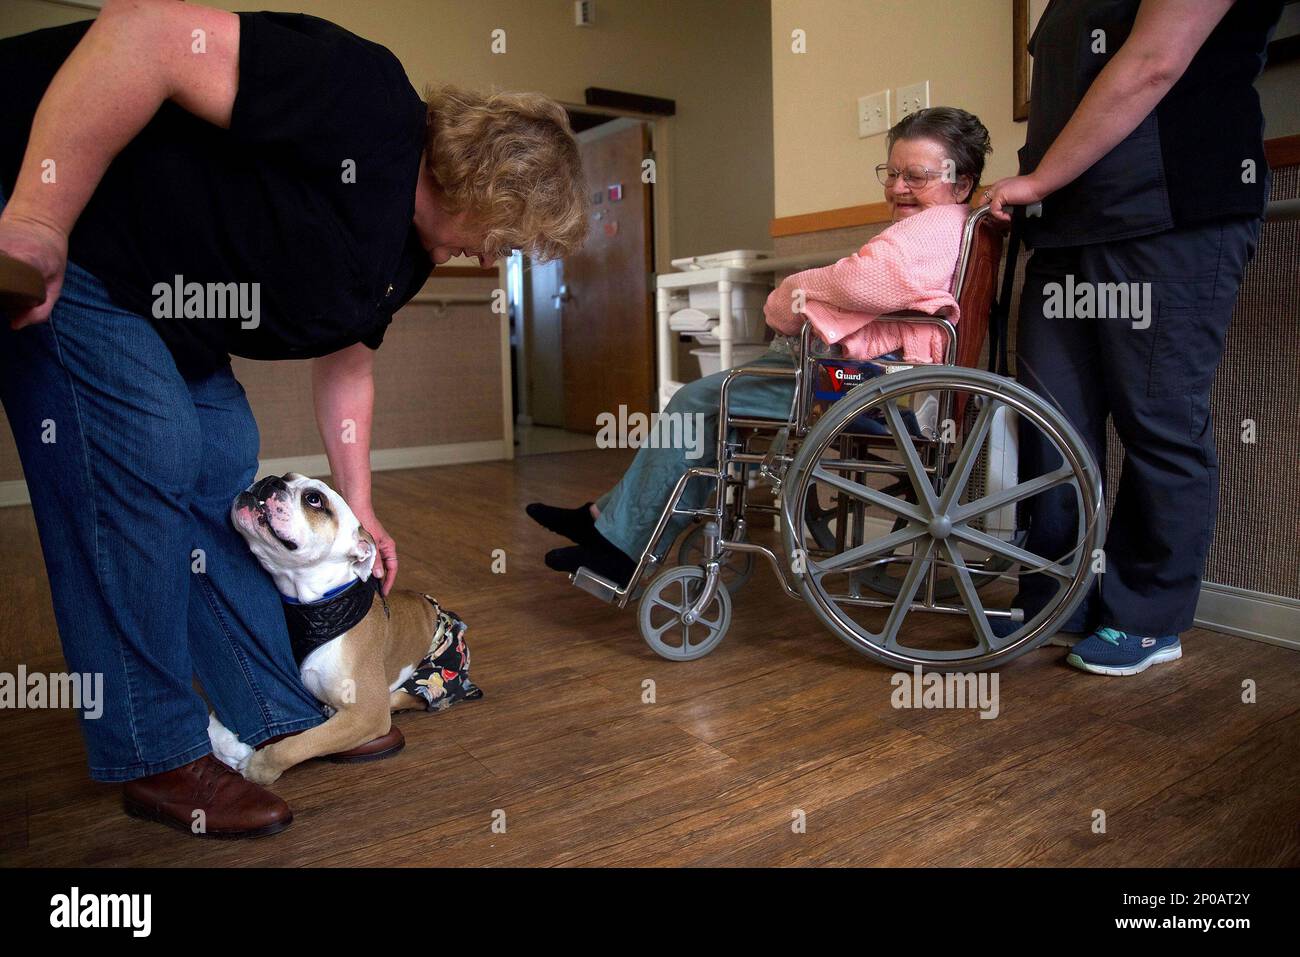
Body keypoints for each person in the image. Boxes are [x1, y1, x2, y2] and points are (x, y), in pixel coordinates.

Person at [0, 1, 587, 837]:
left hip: (164, 295)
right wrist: (33, 219)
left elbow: (347, 360)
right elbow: (144, 32)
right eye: (506, 233)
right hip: (65, 204)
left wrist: (361, 504)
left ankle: (273, 709)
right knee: (147, 445)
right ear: (484, 181)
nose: (494, 256)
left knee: (225, 447)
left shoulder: (408, 253)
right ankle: (156, 747)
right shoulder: (364, 101)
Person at [529, 107, 991, 588]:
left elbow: (862, 282)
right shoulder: (947, 224)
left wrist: (796, 286)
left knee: (695, 403)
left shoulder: (936, 225)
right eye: (892, 173)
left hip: (850, 381)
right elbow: (855, 283)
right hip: (844, 371)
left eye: (915, 176)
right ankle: (606, 519)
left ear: (961, 184)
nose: (898, 187)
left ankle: (618, 546)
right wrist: (812, 290)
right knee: (707, 411)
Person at [983, 0, 1285, 675]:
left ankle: (1148, 616)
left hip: (1169, 212)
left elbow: (1153, 64)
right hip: (1068, 222)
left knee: (1158, 417)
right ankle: (1054, 595)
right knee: (1050, 422)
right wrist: (1040, 189)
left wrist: (1038, 178)